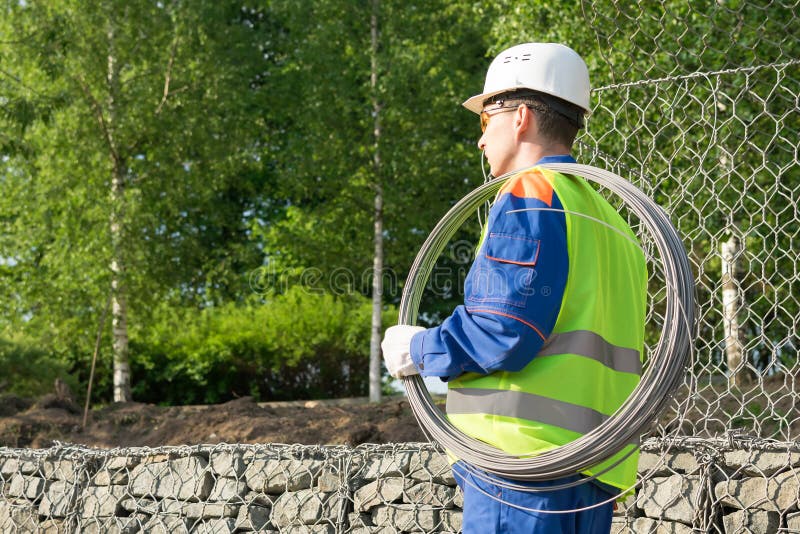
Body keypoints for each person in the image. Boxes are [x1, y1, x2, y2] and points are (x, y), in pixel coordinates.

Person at [382, 42, 648, 534]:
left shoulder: (533, 193)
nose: (480, 140)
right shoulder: (615, 223)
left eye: (485, 120)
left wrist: (417, 349)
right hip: (591, 473)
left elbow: (505, 330)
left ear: (521, 116)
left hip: (522, 470)